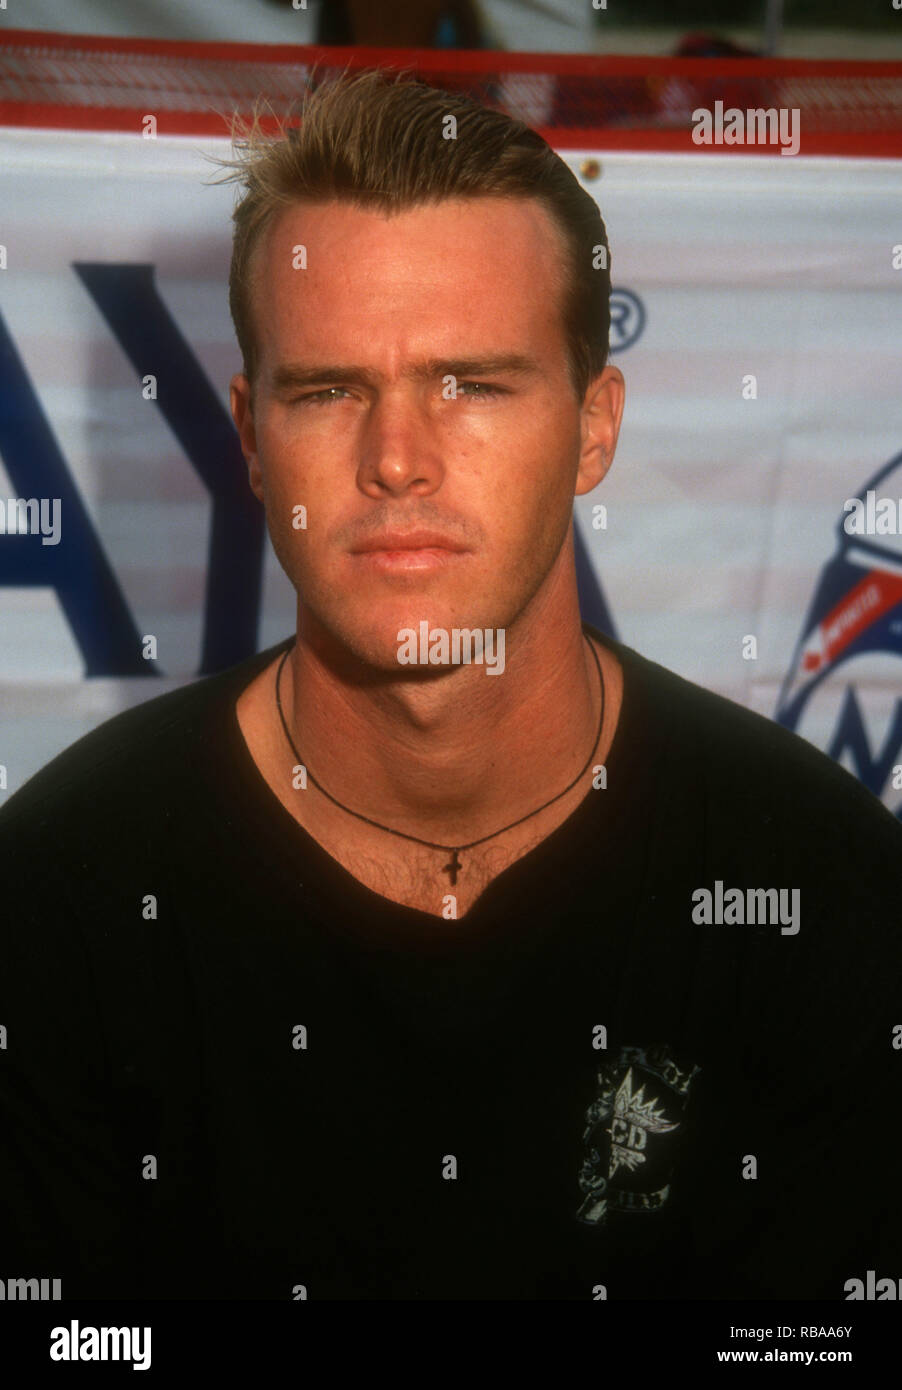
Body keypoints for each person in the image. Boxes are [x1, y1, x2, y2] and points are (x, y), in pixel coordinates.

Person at [0, 69, 900, 1302]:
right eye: (327, 391)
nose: (396, 461)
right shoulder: (57, 904)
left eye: (469, 382)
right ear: (252, 439)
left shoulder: (824, 891)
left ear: (594, 426)